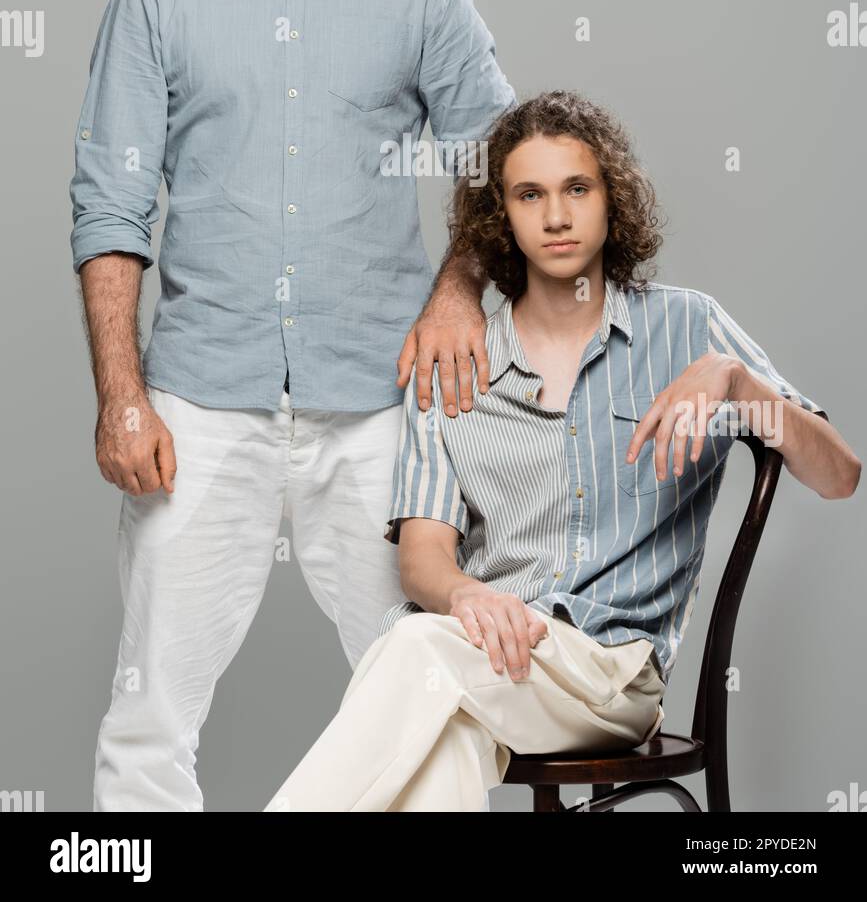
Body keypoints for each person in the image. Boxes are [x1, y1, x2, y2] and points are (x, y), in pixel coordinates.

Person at [69, 0, 517, 812]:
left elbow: (504, 159)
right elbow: (111, 207)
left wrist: (459, 287)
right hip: (198, 403)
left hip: (378, 401)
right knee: (150, 715)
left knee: (425, 701)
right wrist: (121, 395)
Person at [263, 90, 859, 812]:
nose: (554, 215)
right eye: (528, 194)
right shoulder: (455, 365)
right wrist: (467, 596)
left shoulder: (687, 326)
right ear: (501, 217)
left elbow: (837, 475)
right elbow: (422, 556)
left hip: (608, 678)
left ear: (611, 200)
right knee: (436, 746)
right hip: (485, 658)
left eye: (576, 188)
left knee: (414, 652)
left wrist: (737, 380)